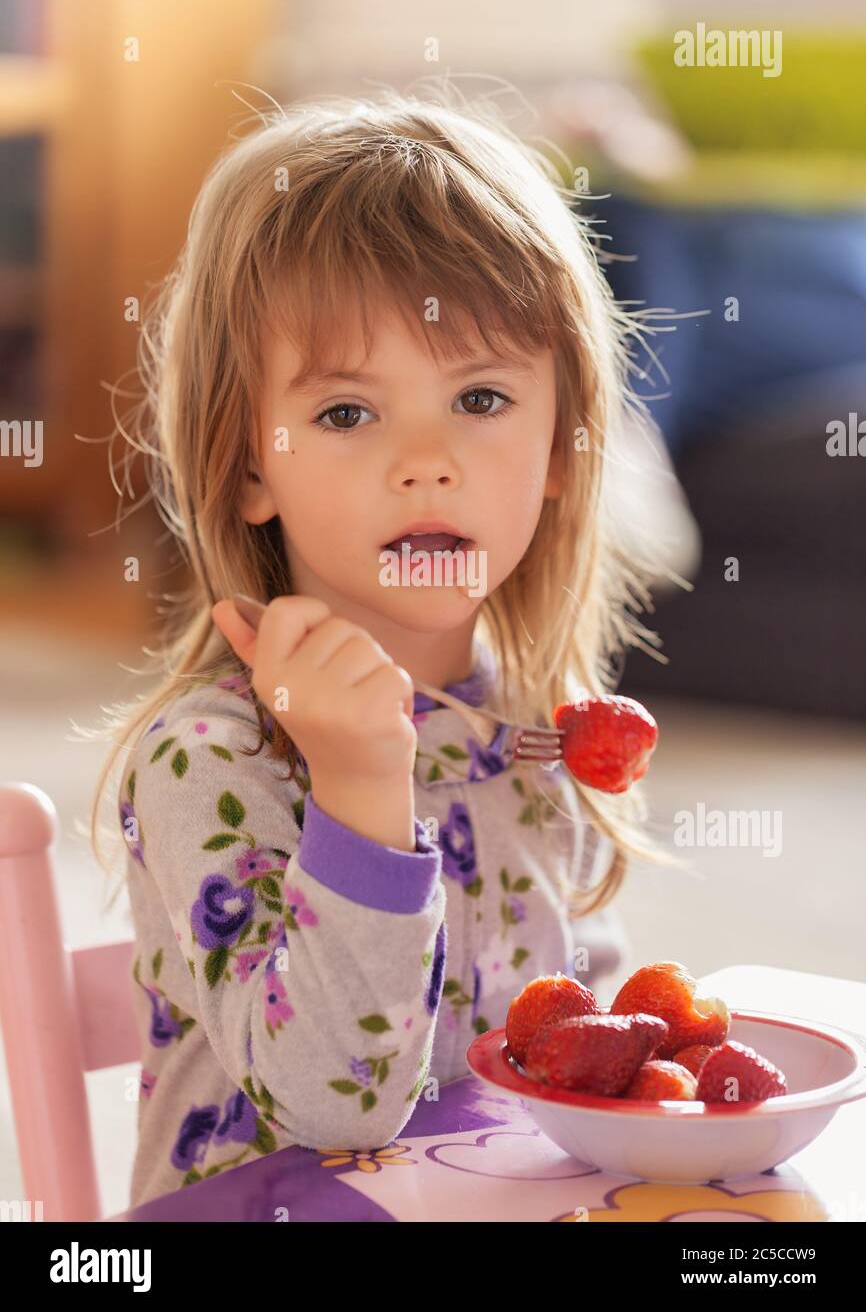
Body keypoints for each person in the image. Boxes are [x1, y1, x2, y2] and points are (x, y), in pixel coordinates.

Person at [89, 81, 682, 1208]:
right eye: (347, 413)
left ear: (561, 446)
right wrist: (360, 784)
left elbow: (565, 1040)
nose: (426, 460)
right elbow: (336, 1104)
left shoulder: (529, 729)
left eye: (480, 396)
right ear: (247, 465)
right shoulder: (209, 758)